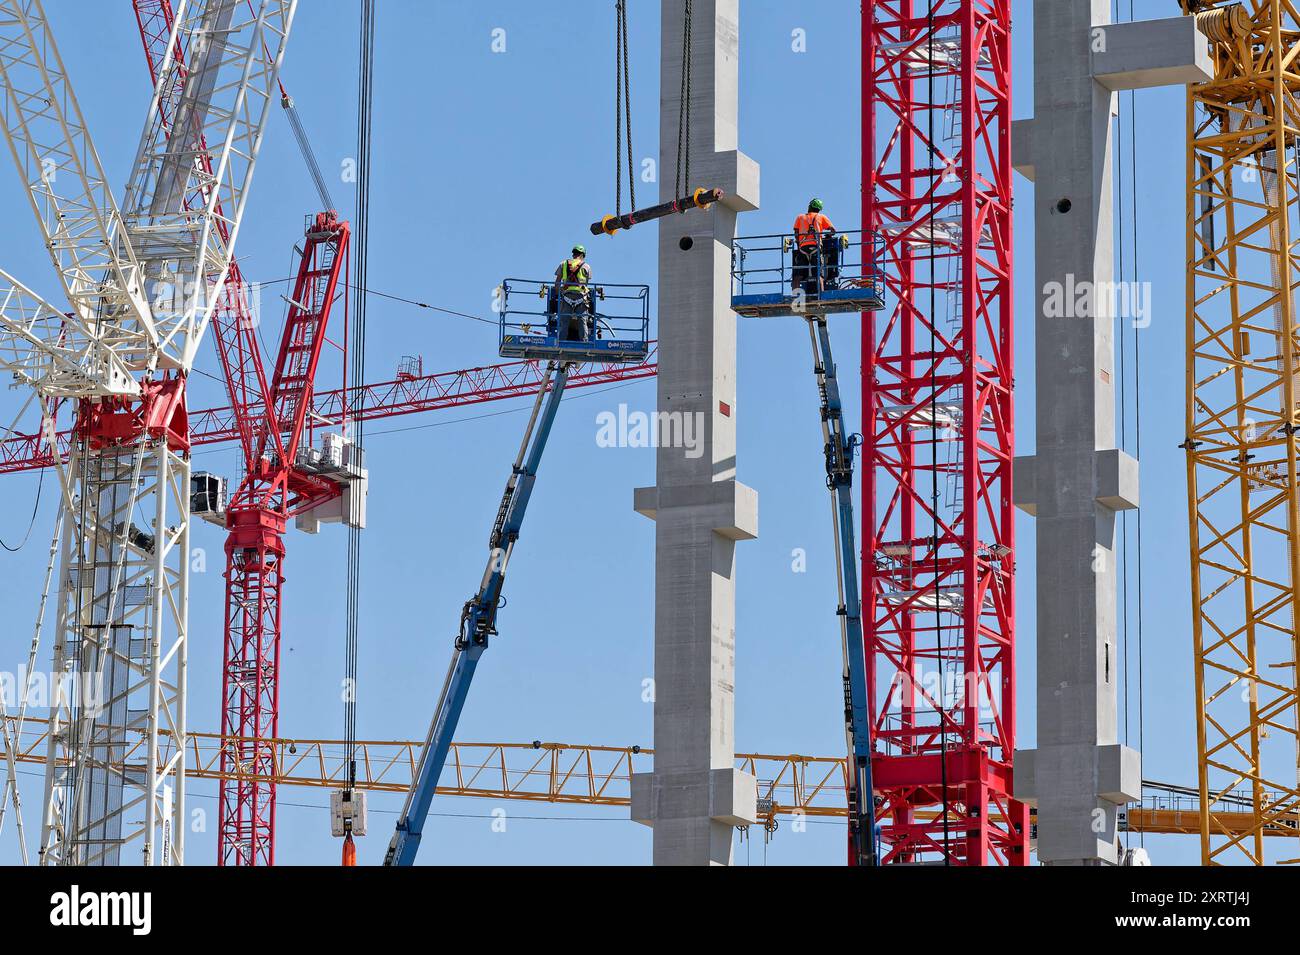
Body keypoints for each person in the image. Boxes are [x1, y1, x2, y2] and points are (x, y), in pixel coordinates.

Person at [791, 198, 840, 293]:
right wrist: (829, 235)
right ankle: (820, 296)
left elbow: (796, 233)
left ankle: (795, 296)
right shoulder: (821, 217)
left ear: (810, 206)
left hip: (803, 248)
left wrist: (799, 244)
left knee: (798, 275)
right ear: (819, 209)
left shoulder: (800, 217)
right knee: (818, 273)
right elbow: (833, 230)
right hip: (816, 247)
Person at [550, 245, 593, 342]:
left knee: (564, 321)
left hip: (566, 297)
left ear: (573, 253)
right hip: (581, 297)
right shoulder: (586, 266)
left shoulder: (563, 264)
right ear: (582, 255)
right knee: (583, 321)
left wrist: (558, 294)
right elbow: (586, 283)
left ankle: (560, 342)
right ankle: (584, 342)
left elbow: (557, 282)